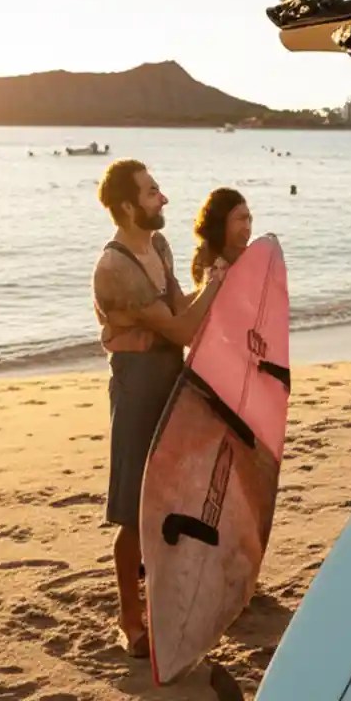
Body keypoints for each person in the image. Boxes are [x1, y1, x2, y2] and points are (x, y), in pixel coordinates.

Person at [91, 158, 224, 657]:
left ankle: (169, 603)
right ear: (127, 206)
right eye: (151, 192)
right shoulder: (114, 267)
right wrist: (214, 284)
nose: (163, 198)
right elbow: (184, 327)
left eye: (159, 188)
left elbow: (178, 313)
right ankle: (130, 621)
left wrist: (215, 288)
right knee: (134, 508)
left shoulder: (160, 247)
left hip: (171, 375)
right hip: (138, 385)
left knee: (170, 497)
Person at [190, 187, 253, 287]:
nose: (247, 227)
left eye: (249, 220)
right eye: (241, 219)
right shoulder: (207, 262)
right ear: (221, 223)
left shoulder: (251, 258)